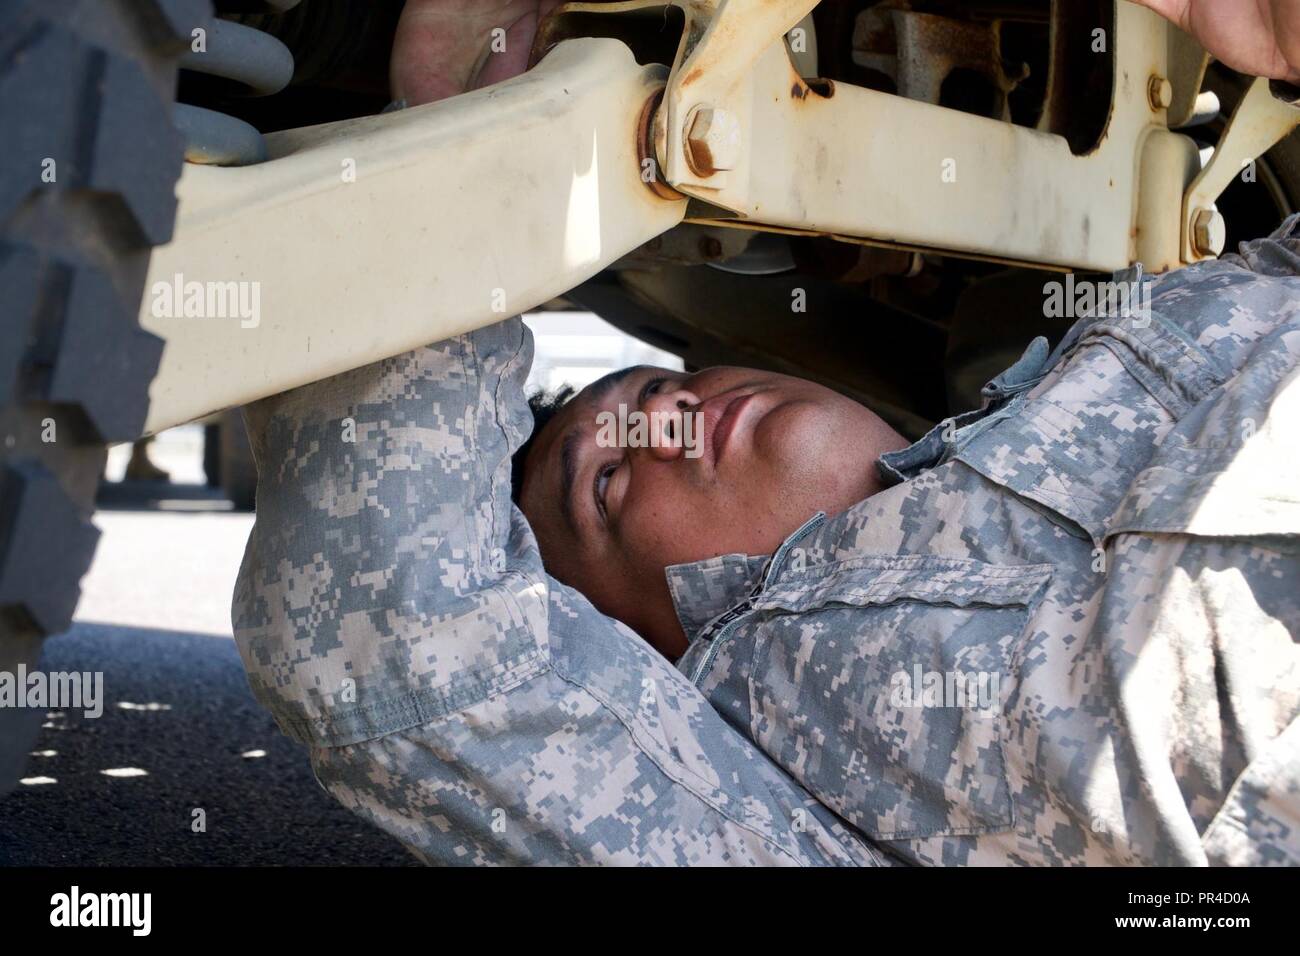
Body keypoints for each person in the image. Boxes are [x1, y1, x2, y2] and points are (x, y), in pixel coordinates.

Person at [230, 1, 1300, 864]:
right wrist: (455, 137)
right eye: (606, 484)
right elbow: (397, 639)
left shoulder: (1097, 367)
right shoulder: (766, 774)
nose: (659, 417)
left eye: (654, 386)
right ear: (633, 662)